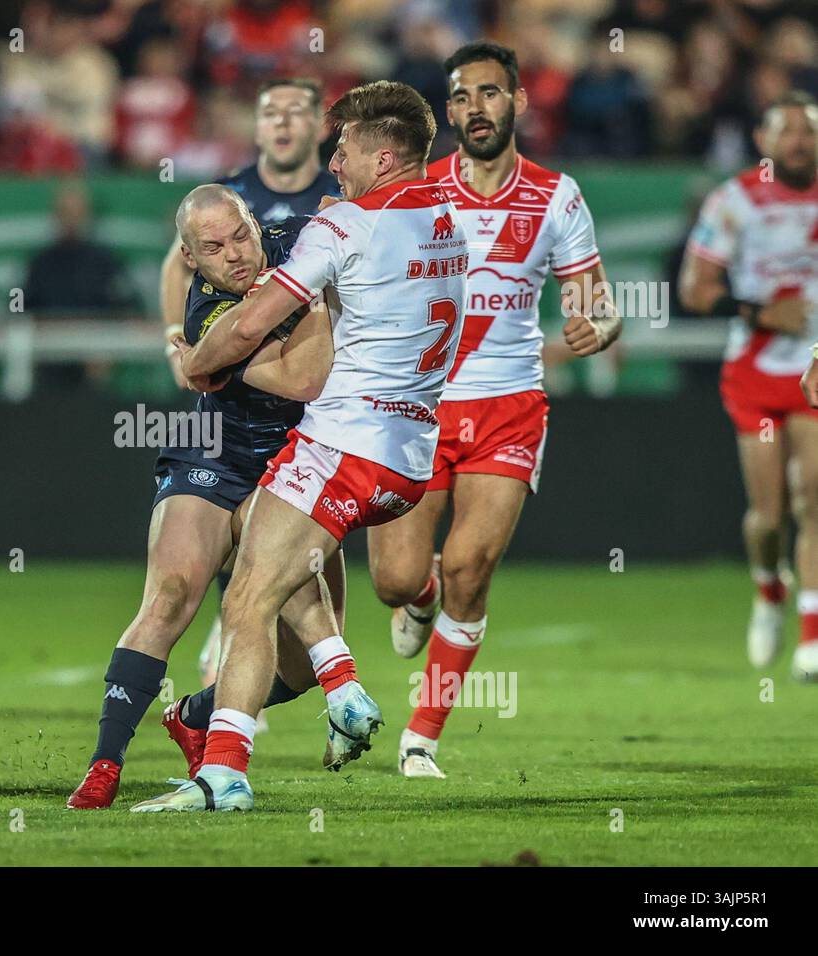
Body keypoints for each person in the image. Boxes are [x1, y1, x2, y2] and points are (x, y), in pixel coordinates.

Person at [132, 80, 467, 813]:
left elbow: (251, 326)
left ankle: (225, 774)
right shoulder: (450, 218)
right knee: (285, 584)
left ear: (382, 155)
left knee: (248, 598)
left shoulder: (341, 228)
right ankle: (337, 684)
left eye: (343, 147)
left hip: (341, 446)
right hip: (411, 459)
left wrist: (192, 358)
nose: (333, 159)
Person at [66, 186, 382, 809]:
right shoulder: (207, 317)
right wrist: (319, 301)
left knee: (296, 668)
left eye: (241, 235)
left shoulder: (299, 237)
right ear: (190, 257)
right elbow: (303, 378)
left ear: (253, 223)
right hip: (218, 451)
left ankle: (195, 716)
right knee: (172, 595)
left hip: (305, 457)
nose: (236, 255)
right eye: (214, 248)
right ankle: (105, 764)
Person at [368, 41, 620, 779]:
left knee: (472, 568)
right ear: (448, 112)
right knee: (395, 579)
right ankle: (415, 598)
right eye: (462, 97)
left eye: (490, 93)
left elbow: (598, 307)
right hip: (418, 407)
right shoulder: (418, 192)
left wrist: (596, 328)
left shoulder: (557, 196)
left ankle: (421, 737)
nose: (476, 108)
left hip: (510, 405)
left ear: (518, 102)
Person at [158, 77, 339, 691]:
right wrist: (178, 342)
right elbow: (175, 266)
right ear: (258, 126)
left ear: (318, 127)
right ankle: (227, 732)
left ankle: (410, 590)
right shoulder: (230, 196)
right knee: (261, 589)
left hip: (336, 423)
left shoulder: (337, 198)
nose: (283, 123)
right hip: (266, 428)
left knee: (365, 589)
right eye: (271, 112)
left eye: (296, 112)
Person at [683, 91, 818, 681]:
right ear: (763, 142)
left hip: (814, 368)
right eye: (787, 131)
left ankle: (811, 636)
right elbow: (695, 290)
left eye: (809, 131)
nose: (799, 141)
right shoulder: (734, 200)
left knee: (812, 497)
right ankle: (769, 586)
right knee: (768, 515)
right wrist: (763, 312)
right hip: (758, 372)